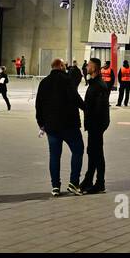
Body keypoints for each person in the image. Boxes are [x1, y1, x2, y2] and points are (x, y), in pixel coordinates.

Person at [35, 59, 84, 196]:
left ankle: (55, 186)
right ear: (61, 66)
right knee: (78, 150)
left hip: (51, 126)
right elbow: (76, 98)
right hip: (69, 125)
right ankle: (74, 183)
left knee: (55, 156)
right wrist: (87, 108)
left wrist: (41, 124)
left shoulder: (44, 83)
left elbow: (38, 105)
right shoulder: (67, 80)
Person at [81, 58, 110, 194]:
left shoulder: (99, 85)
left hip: (96, 125)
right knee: (92, 152)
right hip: (93, 125)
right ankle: (88, 180)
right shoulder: (94, 83)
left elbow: (99, 109)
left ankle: (100, 183)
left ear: (95, 68)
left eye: (89, 65)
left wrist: (94, 125)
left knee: (97, 153)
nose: (87, 67)